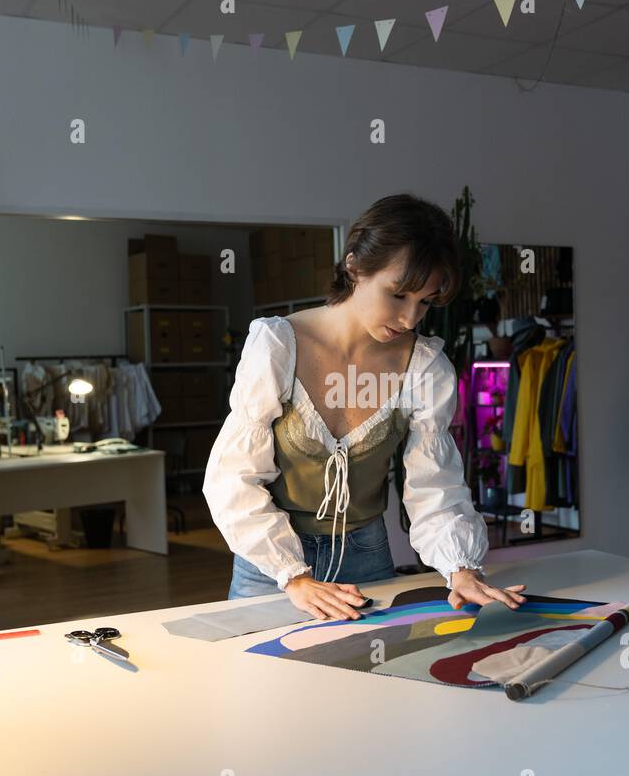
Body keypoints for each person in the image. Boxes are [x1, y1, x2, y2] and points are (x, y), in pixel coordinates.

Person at [203, 193, 526, 621]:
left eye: (426, 301)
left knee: (369, 680)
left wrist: (461, 568)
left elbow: (435, 485)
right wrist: (292, 575)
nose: (411, 318)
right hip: (271, 569)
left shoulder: (424, 366)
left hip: (367, 560)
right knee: (263, 684)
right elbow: (233, 478)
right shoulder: (278, 346)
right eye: (399, 295)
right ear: (354, 266)